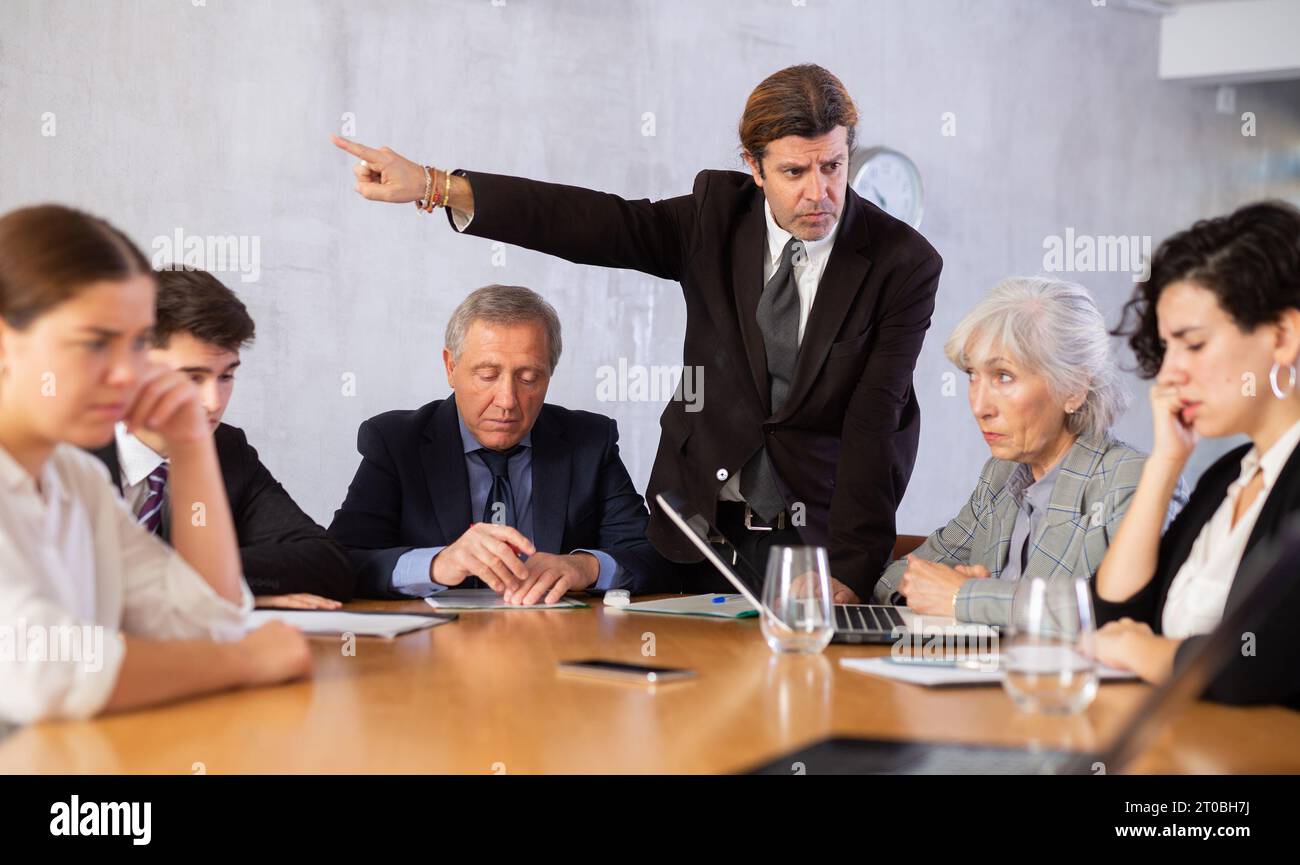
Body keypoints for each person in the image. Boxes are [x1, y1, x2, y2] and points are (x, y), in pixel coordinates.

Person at [330, 63, 943, 602]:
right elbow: (597, 223)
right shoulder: (714, 217)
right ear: (753, 168)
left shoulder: (902, 263)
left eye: (832, 166)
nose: (820, 193)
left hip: (816, 538)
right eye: (794, 171)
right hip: (700, 534)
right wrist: (441, 187)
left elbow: (875, 421)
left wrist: (851, 570)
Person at [0, 204, 310, 724]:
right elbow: (44, 670)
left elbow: (205, 622)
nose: (128, 374)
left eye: (138, 343)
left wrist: (189, 446)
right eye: (96, 343)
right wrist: (245, 661)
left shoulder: (78, 482)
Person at [329, 284, 669, 603]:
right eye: (488, 375)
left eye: (528, 378)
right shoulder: (395, 441)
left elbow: (653, 558)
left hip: (556, 645)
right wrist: (436, 564)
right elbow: (341, 561)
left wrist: (585, 567)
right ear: (450, 367)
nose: (507, 400)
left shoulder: (589, 442)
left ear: (550, 374)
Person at [874, 277, 1185, 625]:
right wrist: (928, 595)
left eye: (1003, 376)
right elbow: (904, 573)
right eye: (973, 375)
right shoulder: (1001, 476)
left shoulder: (1133, 481)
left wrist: (969, 598)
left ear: (1074, 389)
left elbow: (1117, 614)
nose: (979, 405)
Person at [1092, 201, 1300, 708]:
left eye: (1194, 344)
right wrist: (1166, 463)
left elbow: (1262, 665)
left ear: (1283, 336)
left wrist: (1146, 654)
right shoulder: (1227, 477)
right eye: (1167, 349)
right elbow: (1117, 614)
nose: (1169, 375)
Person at [88, 267, 354, 608]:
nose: (214, 402)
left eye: (226, 376)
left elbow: (329, 565)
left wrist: (216, 585)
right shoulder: (60, 451)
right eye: (192, 377)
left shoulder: (226, 449)